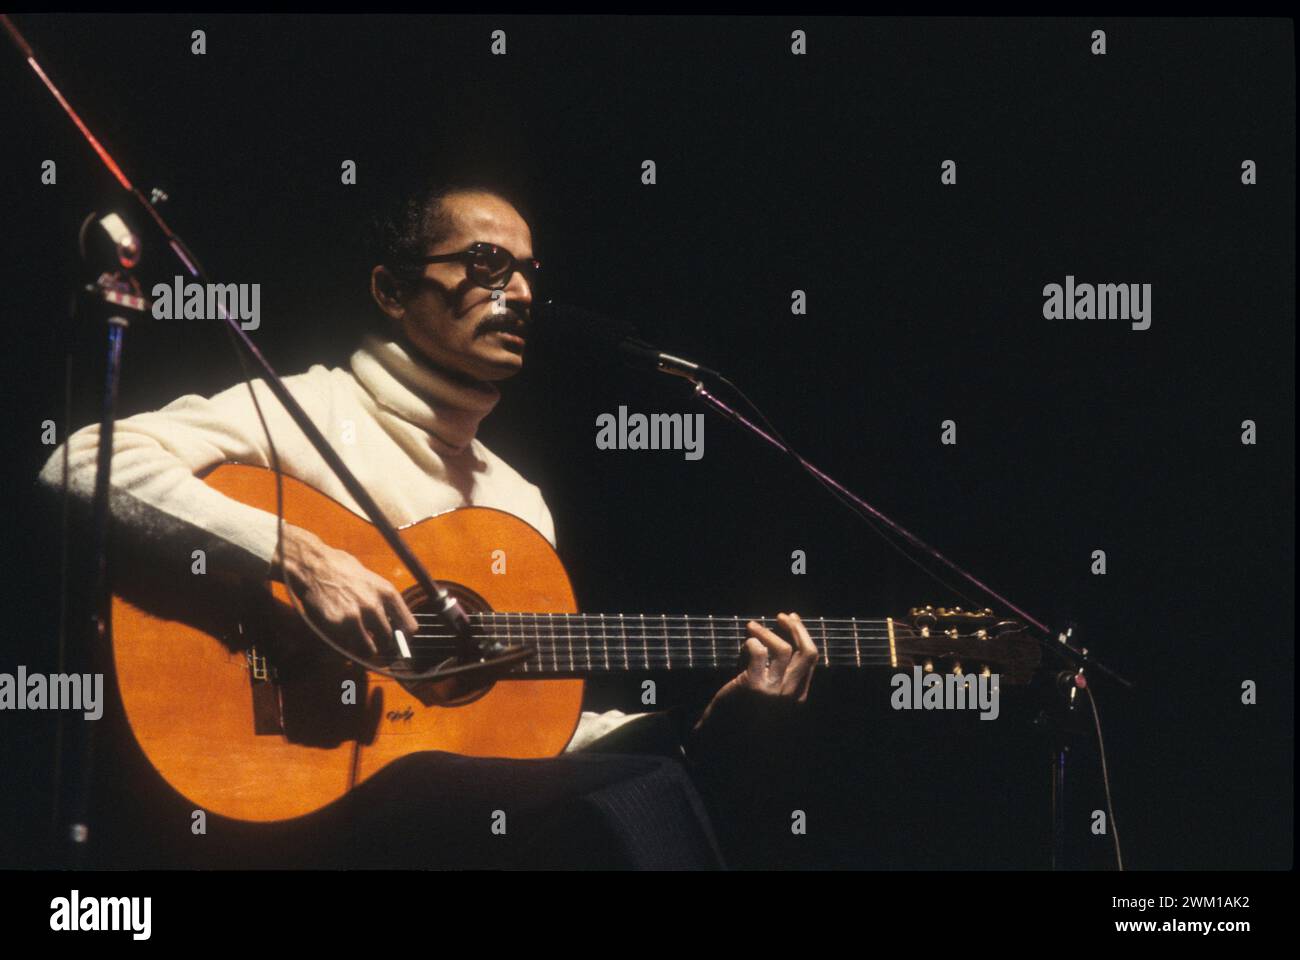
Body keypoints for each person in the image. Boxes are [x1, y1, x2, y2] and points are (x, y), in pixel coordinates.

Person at [39, 175, 819, 868]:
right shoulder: (309, 410)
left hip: (429, 820)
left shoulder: (516, 500)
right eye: (485, 265)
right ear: (391, 290)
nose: (516, 294)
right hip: (288, 792)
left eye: (526, 275)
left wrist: (715, 717)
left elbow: (527, 743)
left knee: (644, 781)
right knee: (642, 789)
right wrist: (296, 555)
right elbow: (76, 464)